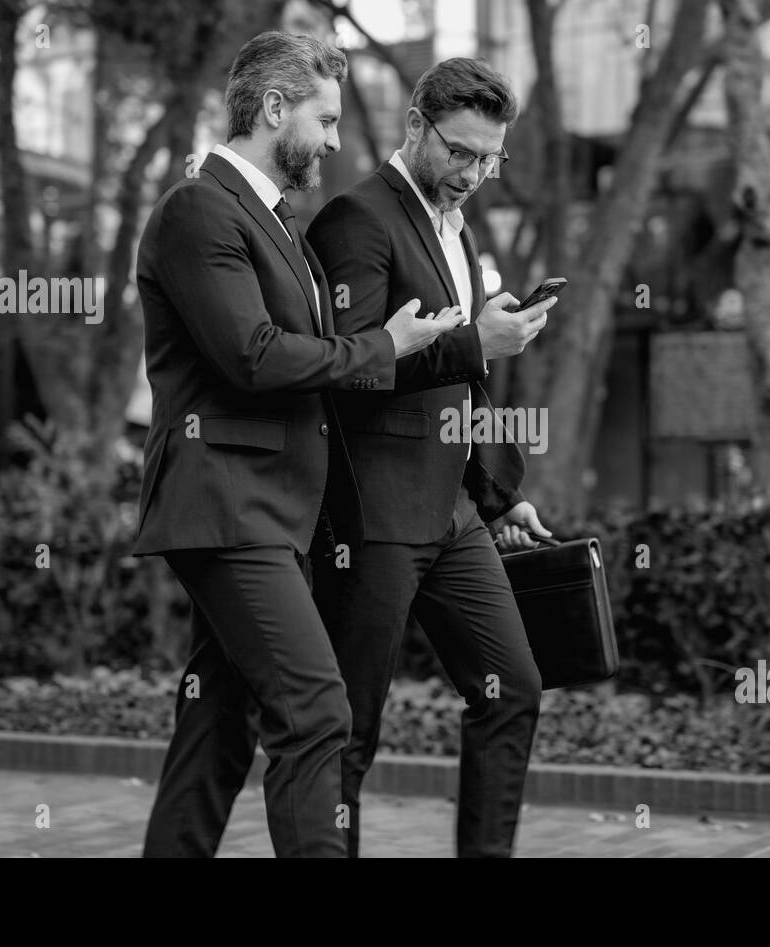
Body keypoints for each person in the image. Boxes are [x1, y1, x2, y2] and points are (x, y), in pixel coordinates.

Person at [132, 31, 462, 858]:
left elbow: (299, 363)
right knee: (316, 711)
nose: (335, 140)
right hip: (228, 505)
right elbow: (255, 357)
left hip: (273, 513)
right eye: (326, 118)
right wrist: (385, 345)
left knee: (218, 725)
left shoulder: (276, 223)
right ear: (274, 108)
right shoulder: (197, 211)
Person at [306, 57, 558, 858]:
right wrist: (470, 341)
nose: (475, 173)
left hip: (452, 518)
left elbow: (462, 385)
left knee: (512, 689)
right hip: (371, 519)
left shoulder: (458, 228)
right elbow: (348, 366)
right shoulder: (356, 219)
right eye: (460, 152)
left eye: (491, 158)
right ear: (415, 125)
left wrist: (498, 493)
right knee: (349, 728)